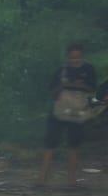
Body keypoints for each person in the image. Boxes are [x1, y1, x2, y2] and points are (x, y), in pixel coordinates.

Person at [40, 43, 98, 187]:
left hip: (78, 112)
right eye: (72, 57)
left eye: (77, 57)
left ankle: (72, 181)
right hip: (59, 112)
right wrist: (63, 86)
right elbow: (52, 92)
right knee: (50, 143)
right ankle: (42, 180)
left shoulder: (88, 69)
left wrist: (78, 85)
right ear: (68, 57)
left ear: (82, 56)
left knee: (73, 145)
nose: (75, 60)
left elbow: (92, 88)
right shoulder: (61, 71)